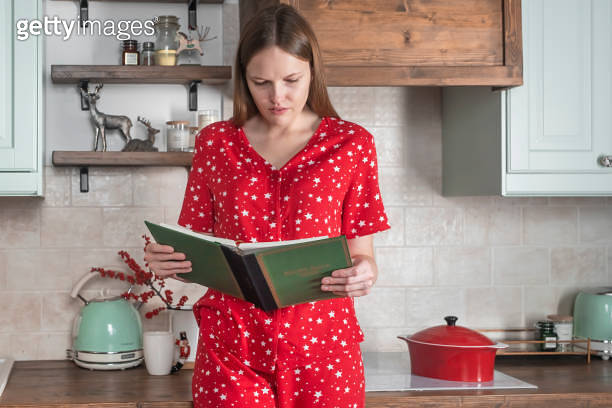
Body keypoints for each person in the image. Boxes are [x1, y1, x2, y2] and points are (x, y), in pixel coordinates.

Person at [144, 4, 390, 407]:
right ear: (244, 78)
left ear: (313, 72)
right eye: (261, 82)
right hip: (231, 345)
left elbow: (363, 254)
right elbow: (197, 251)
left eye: (292, 80)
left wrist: (365, 273)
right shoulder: (215, 143)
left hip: (324, 346)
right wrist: (168, 260)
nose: (277, 97)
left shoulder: (352, 145)